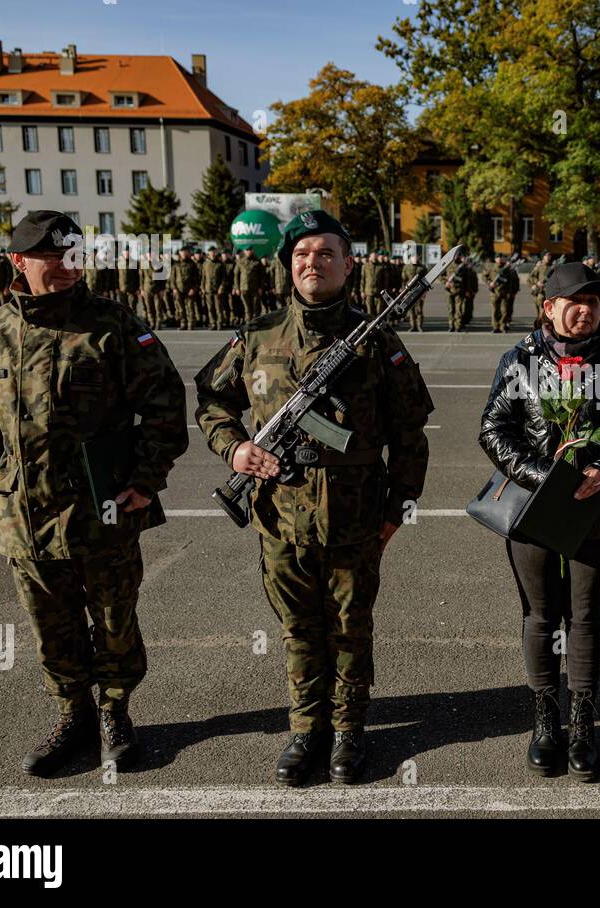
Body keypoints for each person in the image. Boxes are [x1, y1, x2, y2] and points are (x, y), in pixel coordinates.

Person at [195, 210, 435, 787]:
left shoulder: (377, 342)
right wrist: (235, 453)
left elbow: (410, 436)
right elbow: (211, 402)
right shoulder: (256, 337)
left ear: (348, 265)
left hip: (356, 519)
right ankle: (308, 730)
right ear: (287, 265)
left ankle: (350, 732)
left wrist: (397, 510)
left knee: (351, 629)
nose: (313, 263)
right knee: (299, 629)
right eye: (302, 254)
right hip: (279, 517)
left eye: (326, 253)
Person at [0, 210, 189, 776]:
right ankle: (72, 715)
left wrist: (144, 481)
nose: (66, 266)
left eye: (74, 254)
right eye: (52, 256)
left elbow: (165, 404)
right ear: (18, 261)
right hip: (25, 513)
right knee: (49, 623)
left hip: (101, 510)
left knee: (113, 619)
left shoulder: (113, 325)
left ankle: (114, 713)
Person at [478, 262, 600, 781]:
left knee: (584, 617)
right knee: (540, 614)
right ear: (550, 307)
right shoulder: (520, 360)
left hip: (597, 511)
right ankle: (545, 716)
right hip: (533, 507)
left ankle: (581, 720)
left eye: (595, 302)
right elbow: (494, 428)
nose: (586, 310)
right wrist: (540, 474)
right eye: (575, 301)